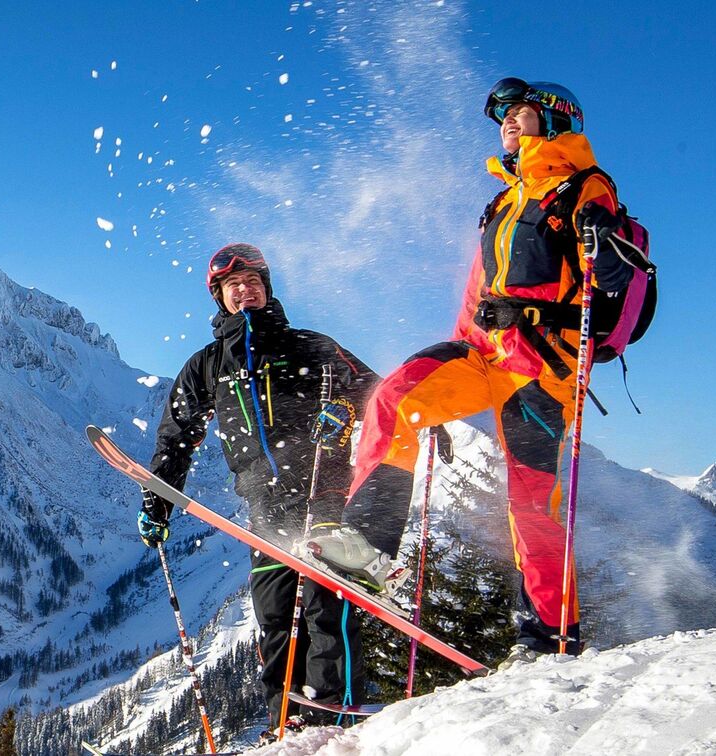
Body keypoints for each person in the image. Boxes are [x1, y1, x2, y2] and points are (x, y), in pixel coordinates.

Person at [301, 79, 636, 660]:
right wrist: (448, 379)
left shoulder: (585, 187)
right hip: (484, 354)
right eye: (503, 116)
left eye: (521, 113)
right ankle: (365, 545)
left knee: (531, 506)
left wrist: (603, 254)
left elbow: (613, 278)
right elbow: (477, 295)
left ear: (556, 121)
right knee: (396, 396)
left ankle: (550, 636)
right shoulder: (504, 203)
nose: (507, 122)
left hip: (541, 368)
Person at [138, 243, 377, 735]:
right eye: (233, 286)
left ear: (267, 289)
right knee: (273, 614)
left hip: (323, 489)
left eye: (253, 283)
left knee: (325, 601)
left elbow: (373, 390)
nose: (245, 291)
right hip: (264, 506)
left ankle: (334, 709)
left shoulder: (310, 344)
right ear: (219, 297)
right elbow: (175, 439)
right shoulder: (207, 367)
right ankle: (285, 723)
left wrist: (347, 412)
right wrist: (157, 504)